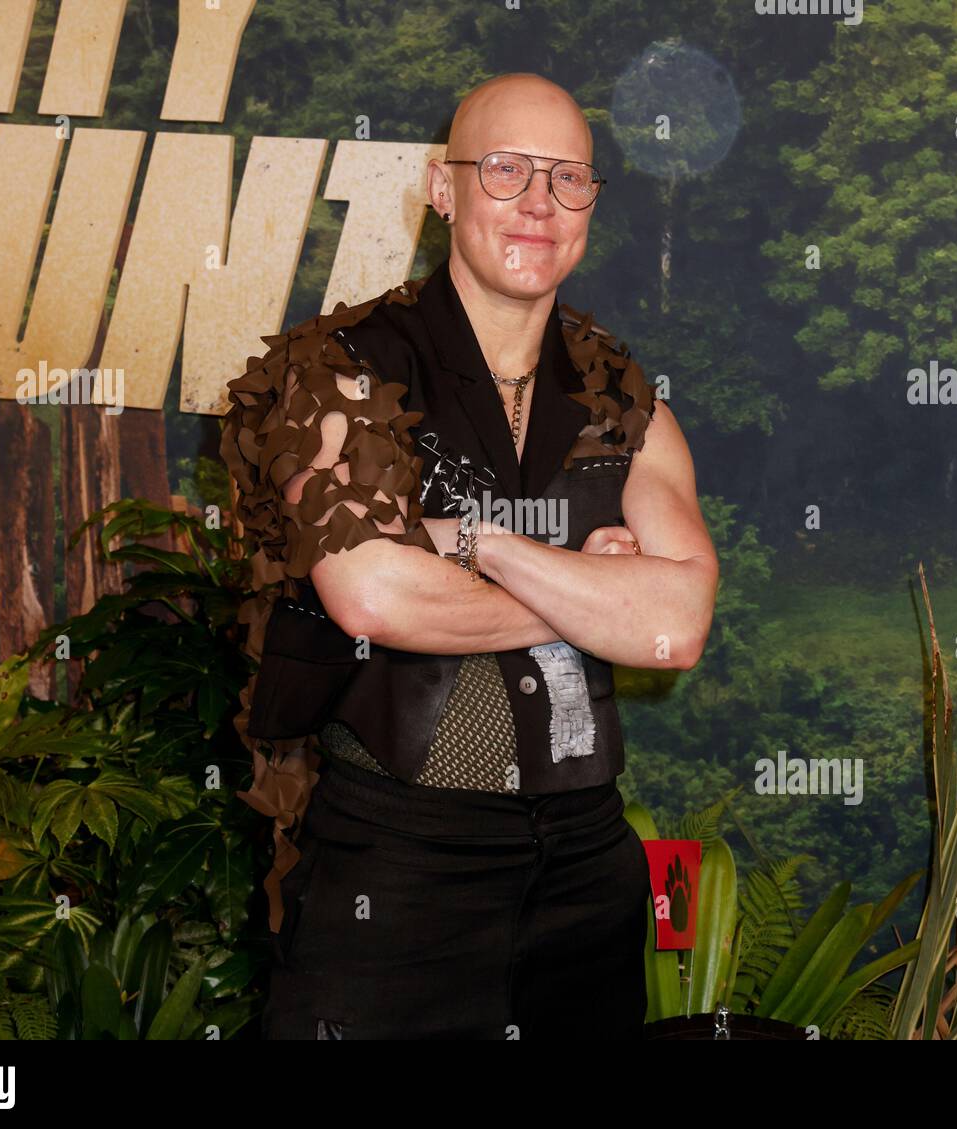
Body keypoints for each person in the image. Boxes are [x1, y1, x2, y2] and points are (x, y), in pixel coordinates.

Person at [220, 72, 718, 1040]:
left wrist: (475, 539)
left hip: (586, 865)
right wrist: (587, 573)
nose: (539, 203)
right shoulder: (333, 367)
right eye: (505, 170)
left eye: (568, 178)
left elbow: (673, 625)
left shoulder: (621, 390)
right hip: (395, 862)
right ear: (442, 190)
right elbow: (371, 593)